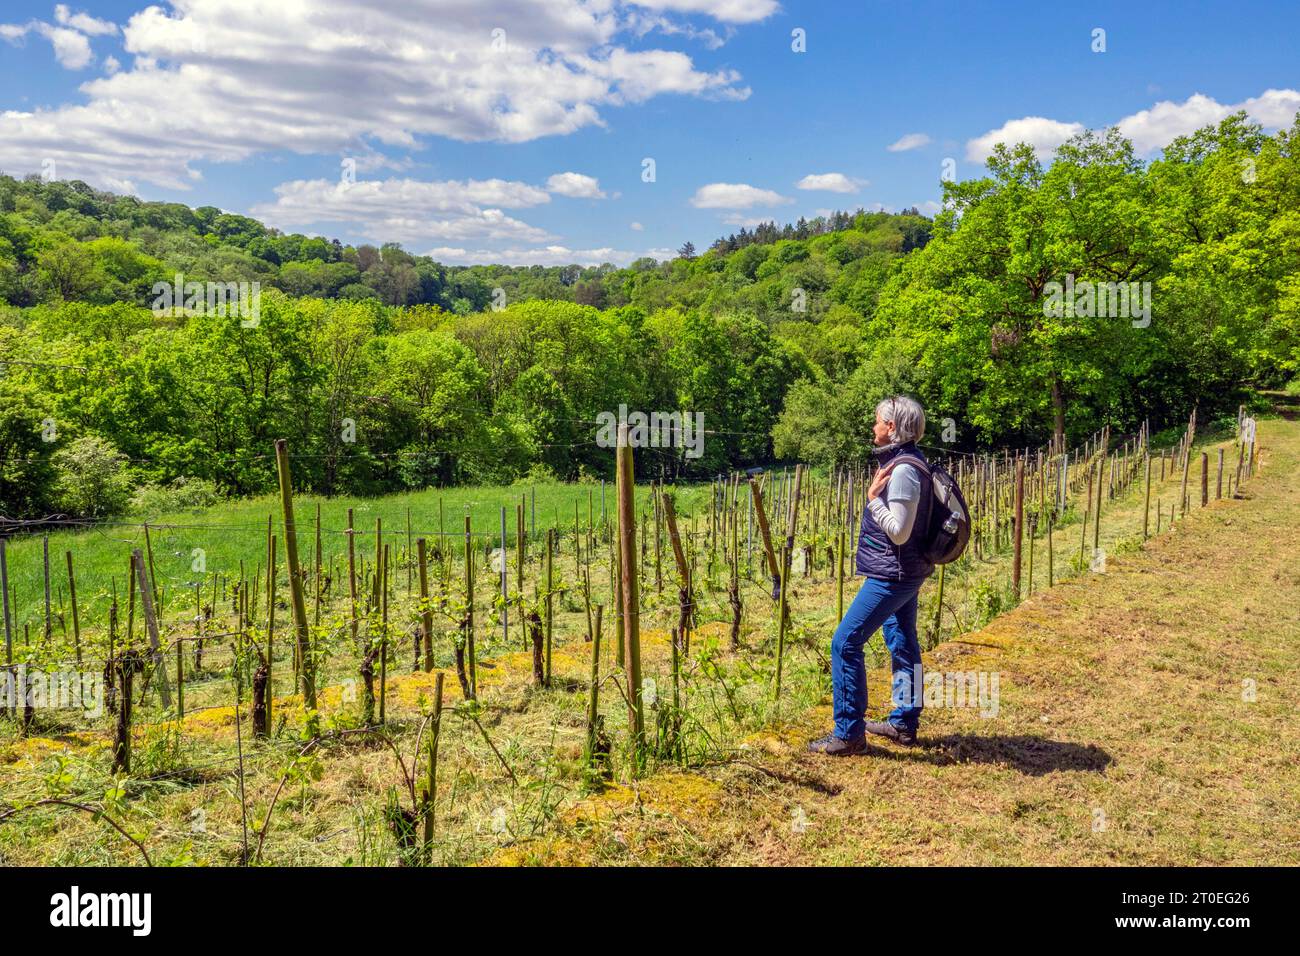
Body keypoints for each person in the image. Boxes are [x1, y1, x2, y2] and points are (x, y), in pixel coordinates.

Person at [809, 395, 935, 756]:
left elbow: (899, 531)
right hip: (905, 570)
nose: (873, 427)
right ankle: (903, 723)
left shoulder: (904, 471)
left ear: (892, 427)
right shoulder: (904, 463)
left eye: (878, 421)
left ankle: (849, 734)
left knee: (845, 642)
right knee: (901, 639)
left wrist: (872, 500)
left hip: (894, 574)